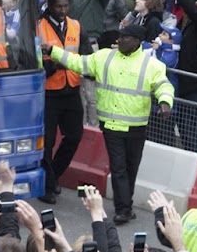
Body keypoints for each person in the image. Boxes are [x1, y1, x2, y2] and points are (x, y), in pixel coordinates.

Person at [48, 20, 173, 223]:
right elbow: (77, 62)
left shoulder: (152, 64)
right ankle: (122, 209)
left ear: (137, 41)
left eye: (125, 37)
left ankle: (126, 204)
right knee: (119, 167)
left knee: (131, 167)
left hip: (136, 126)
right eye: (119, 36)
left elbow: (163, 85)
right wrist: (53, 50)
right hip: (111, 125)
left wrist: (165, 102)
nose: (119, 40)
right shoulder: (104, 57)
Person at [36, 0, 85, 204]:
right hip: (49, 90)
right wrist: (52, 66)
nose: (63, 11)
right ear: (50, 6)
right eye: (59, 7)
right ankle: (46, 186)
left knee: (74, 136)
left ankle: (53, 174)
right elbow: (33, 60)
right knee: (47, 141)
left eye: (66, 6)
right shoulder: (38, 26)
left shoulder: (75, 25)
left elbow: (83, 55)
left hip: (71, 88)